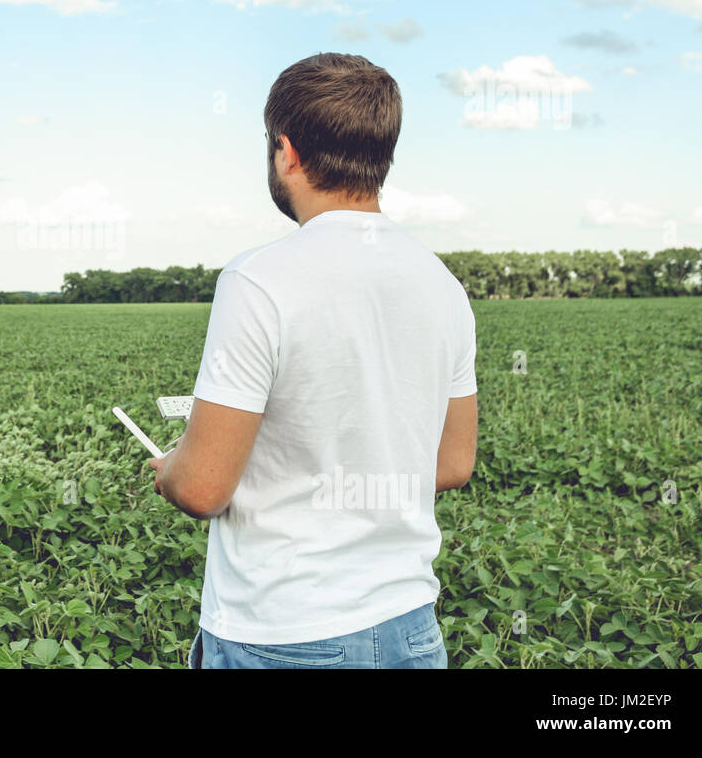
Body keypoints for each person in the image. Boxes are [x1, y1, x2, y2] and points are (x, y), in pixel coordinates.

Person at [148, 52, 478, 669]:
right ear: (382, 156)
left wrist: (171, 469)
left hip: (283, 634)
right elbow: (453, 463)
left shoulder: (259, 279)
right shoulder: (442, 285)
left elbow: (201, 488)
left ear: (287, 151)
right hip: (409, 630)